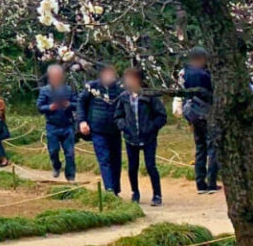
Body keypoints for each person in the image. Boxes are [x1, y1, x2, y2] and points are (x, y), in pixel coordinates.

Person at [118, 66, 166, 206]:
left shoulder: (149, 95)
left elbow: (161, 115)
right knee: (132, 167)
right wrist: (124, 126)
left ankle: (157, 194)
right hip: (130, 138)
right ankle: (135, 192)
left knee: (151, 166)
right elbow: (118, 115)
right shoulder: (124, 97)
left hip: (148, 138)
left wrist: (152, 127)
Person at [79, 63, 125, 195]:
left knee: (116, 160)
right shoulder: (92, 87)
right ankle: (109, 189)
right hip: (98, 129)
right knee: (104, 159)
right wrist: (82, 121)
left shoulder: (119, 89)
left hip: (115, 130)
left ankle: (115, 189)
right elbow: (81, 103)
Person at [179, 47, 219, 194]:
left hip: (192, 113)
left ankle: (200, 183)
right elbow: (212, 92)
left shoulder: (184, 73)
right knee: (212, 147)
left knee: (200, 147)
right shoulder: (204, 75)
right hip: (206, 112)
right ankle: (211, 182)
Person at [36, 64, 78, 181]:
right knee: (53, 151)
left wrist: (69, 105)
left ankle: (71, 176)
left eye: (58, 75)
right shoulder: (45, 90)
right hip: (52, 126)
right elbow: (39, 107)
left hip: (67, 125)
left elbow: (77, 104)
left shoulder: (68, 89)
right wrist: (49, 107)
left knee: (70, 153)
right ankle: (56, 166)